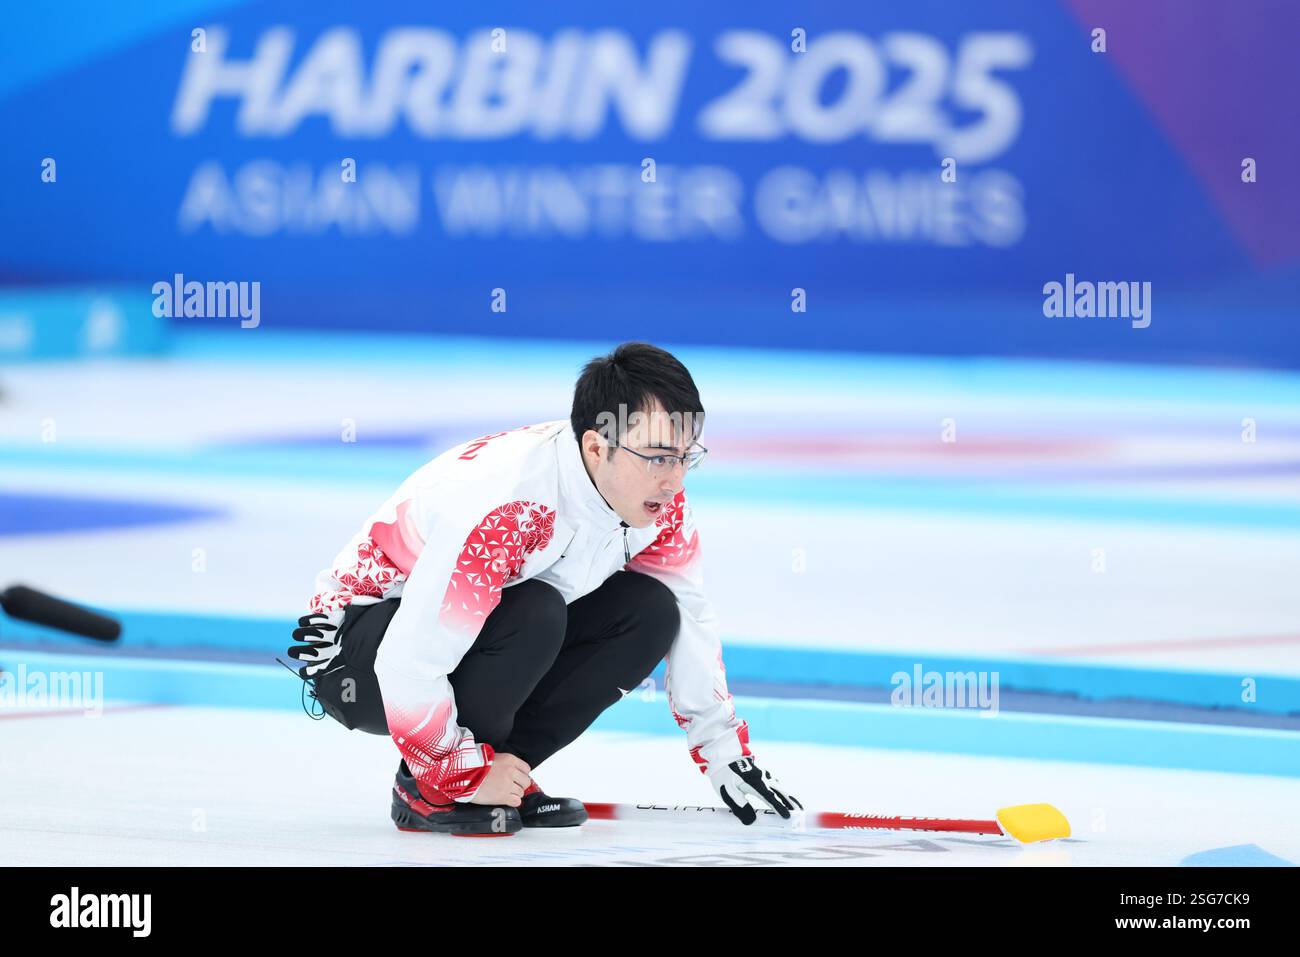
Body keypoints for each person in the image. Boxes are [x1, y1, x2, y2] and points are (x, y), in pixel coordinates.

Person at [287, 342, 800, 836]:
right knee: (537, 610)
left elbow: (691, 615)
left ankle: (505, 770)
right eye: (660, 457)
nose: (675, 480)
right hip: (356, 653)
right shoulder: (510, 506)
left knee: (652, 611)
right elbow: (406, 661)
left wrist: (724, 752)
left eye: (688, 457)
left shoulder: (655, 505)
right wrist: (452, 771)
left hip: (452, 639)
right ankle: (432, 788)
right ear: (597, 447)